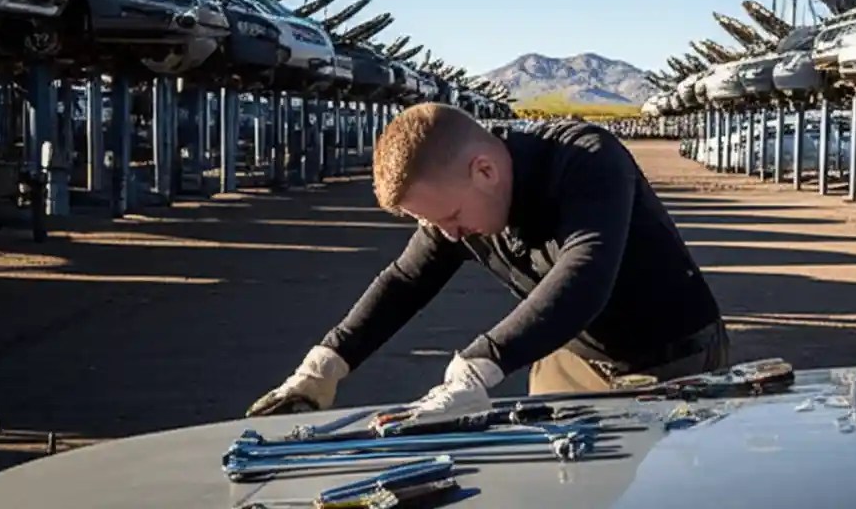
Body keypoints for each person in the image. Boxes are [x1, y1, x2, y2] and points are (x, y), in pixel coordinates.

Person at [247, 103, 729, 419]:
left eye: (452, 217)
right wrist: (324, 366)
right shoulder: (455, 209)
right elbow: (404, 281)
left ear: (486, 170)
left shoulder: (587, 160)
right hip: (570, 358)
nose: (450, 234)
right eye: (434, 224)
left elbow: (585, 273)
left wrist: (477, 368)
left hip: (675, 360)